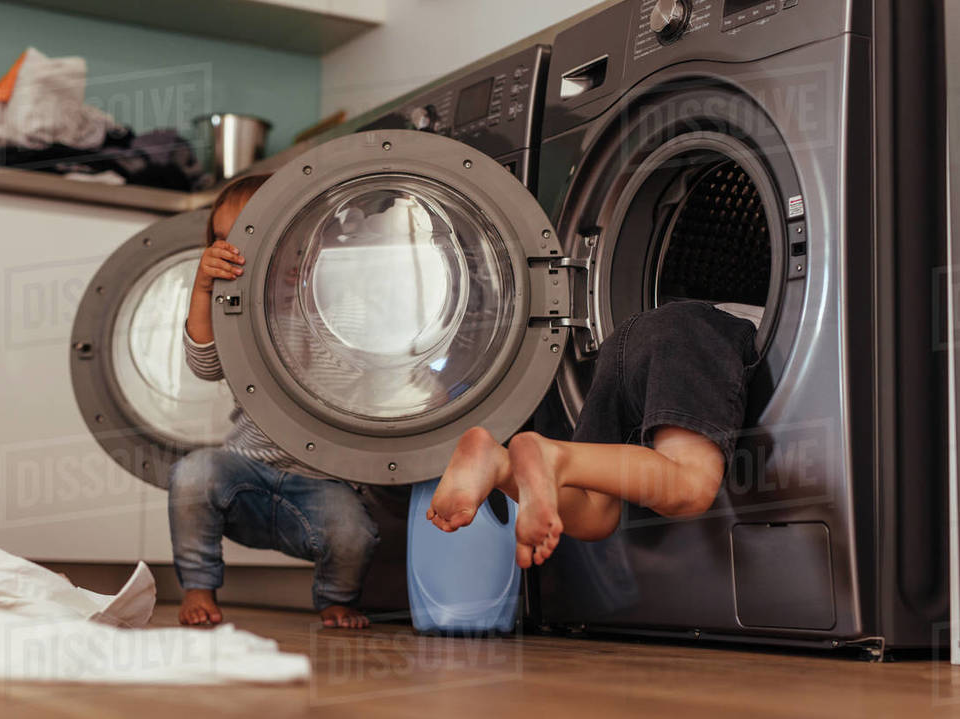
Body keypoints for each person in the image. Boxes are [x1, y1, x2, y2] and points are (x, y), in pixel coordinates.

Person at [169, 174, 379, 629]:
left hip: (323, 482)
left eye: (251, 235)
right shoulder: (237, 307)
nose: (234, 251)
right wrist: (203, 290)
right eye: (222, 241)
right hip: (246, 472)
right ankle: (198, 589)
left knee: (353, 533)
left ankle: (335, 599)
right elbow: (205, 365)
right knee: (193, 475)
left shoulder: (343, 306)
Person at [427, 301, 759, 568]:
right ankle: (553, 457)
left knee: (594, 513)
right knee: (690, 484)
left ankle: (500, 464)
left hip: (622, 340)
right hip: (691, 330)